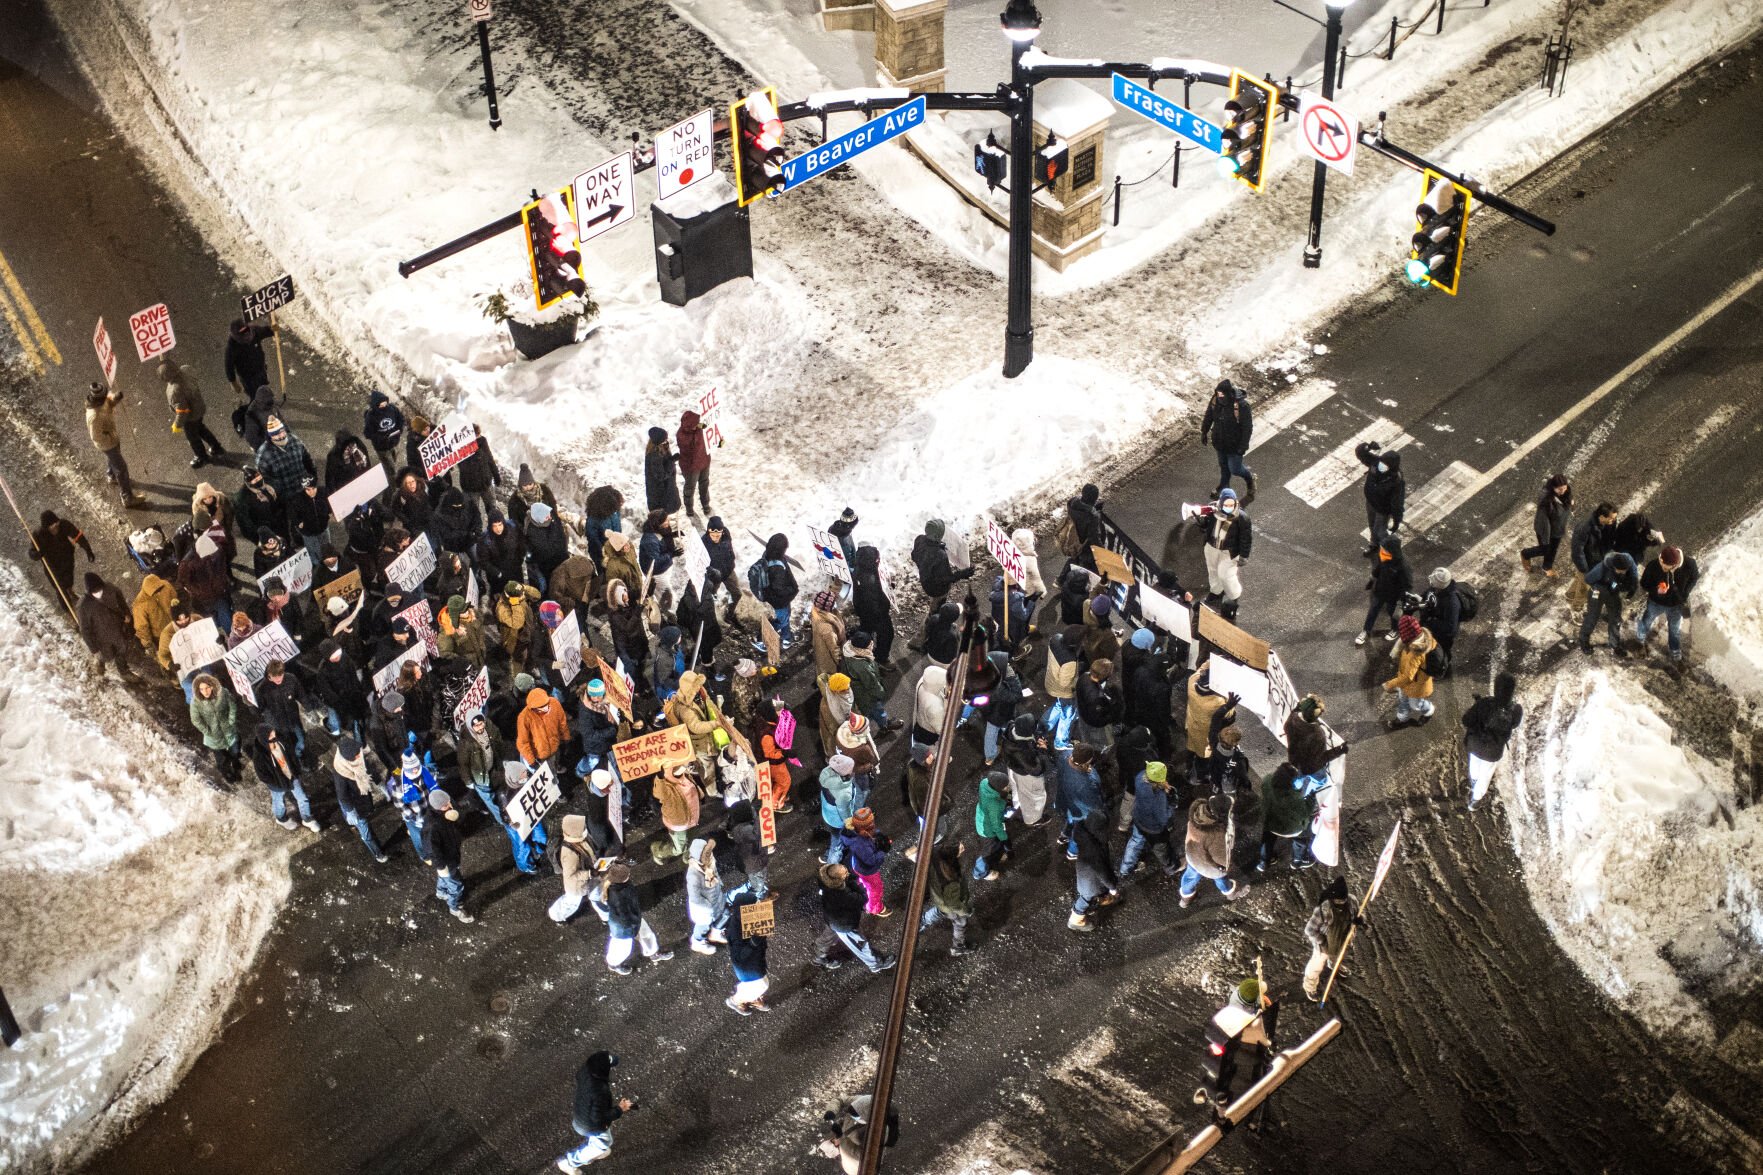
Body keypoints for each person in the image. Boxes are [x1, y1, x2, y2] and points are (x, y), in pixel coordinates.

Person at [812, 863, 897, 973]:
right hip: (845, 925)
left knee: (827, 937)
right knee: (860, 945)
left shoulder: (824, 881)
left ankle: (818, 957)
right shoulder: (846, 896)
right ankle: (875, 964)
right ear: (840, 880)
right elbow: (863, 898)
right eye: (845, 873)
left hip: (831, 918)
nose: (848, 873)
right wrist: (859, 884)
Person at [555, 1050, 631, 1171]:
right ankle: (570, 1162)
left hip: (580, 1114)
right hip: (590, 1125)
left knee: (598, 1141)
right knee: (605, 1142)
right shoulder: (600, 1090)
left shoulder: (585, 1071)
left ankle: (593, 1149)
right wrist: (619, 1109)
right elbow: (599, 1117)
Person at [1462, 672, 1523, 812]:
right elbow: (1514, 724)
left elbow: (1466, 720)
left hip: (1475, 743)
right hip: (1493, 750)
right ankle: (1475, 800)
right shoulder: (1516, 710)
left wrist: (1477, 706)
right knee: (1486, 774)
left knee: (1475, 764)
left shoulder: (1484, 703)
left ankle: (1473, 781)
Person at [602, 862, 672, 973]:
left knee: (647, 934)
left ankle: (653, 953)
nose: (629, 876)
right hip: (623, 927)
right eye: (627, 875)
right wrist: (634, 924)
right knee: (622, 949)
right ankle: (613, 964)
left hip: (633, 918)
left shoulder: (620, 885)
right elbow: (623, 915)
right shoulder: (617, 895)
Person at [85, 382, 146, 508]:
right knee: (121, 468)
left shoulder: (99, 403)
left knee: (113, 459)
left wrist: (115, 399)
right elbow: (96, 436)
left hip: (112, 438)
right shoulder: (94, 416)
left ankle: (111, 475)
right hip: (108, 443)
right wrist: (110, 437)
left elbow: (108, 404)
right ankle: (127, 497)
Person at [250, 722, 319, 832]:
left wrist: (295, 769)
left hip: (291, 776)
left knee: (302, 797)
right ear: (264, 738)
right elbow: (262, 774)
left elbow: (291, 755)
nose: (274, 736)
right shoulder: (260, 754)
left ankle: (307, 819)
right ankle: (281, 819)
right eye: (271, 735)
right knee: (279, 802)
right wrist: (275, 783)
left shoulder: (280, 740)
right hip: (277, 783)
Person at [330, 736, 389, 863]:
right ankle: (377, 853)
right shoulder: (340, 773)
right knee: (365, 831)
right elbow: (343, 796)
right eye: (356, 755)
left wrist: (382, 786)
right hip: (354, 805)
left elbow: (370, 771)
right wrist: (350, 811)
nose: (359, 756)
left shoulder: (358, 758)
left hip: (363, 797)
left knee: (366, 818)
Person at [158, 356, 225, 468]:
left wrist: (177, 425)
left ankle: (202, 457)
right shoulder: (185, 370)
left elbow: (182, 410)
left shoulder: (175, 390)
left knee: (193, 438)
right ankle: (216, 446)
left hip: (190, 417)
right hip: (198, 408)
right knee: (201, 429)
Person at [1636, 545, 1699, 662]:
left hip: (1676, 604)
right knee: (1646, 620)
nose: (1662, 566)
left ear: (1674, 564)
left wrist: (1685, 593)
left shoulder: (1690, 564)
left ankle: (1675, 650)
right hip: (1656, 602)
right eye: (1661, 563)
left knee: (1674, 629)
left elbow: (1694, 578)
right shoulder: (1654, 564)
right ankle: (1640, 640)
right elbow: (1644, 583)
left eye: (1666, 567)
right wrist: (1656, 590)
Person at [1117, 761, 1179, 880]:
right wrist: (1171, 800)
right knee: (1161, 849)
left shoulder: (1140, 777)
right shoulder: (1159, 797)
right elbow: (1164, 817)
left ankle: (1125, 869)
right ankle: (1171, 867)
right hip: (1154, 829)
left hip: (1138, 819)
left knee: (1135, 842)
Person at [1180, 794, 1244, 909]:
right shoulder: (1216, 835)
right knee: (1220, 877)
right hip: (1207, 866)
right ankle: (1230, 893)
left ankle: (1185, 899)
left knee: (1190, 877)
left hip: (1192, 857)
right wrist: (1225, 867)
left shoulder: (1195, 818)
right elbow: (1221, 858)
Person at [1200, 379, 1256, 500]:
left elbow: (1247, 428)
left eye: (1222, 395)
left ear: (1229, 394)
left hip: (1234, 445)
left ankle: (1250, 479)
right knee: (1224, 466)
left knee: (1235, 469)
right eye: (1218, 394)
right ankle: (1224, 487)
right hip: (1220, 442)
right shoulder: (1215, 400)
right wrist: (1204, 431)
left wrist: (1243, 446)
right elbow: (1209, 415)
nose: (1219, 398)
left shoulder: (1241, 406)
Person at [77, 573, 140, 680]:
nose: (98, 592)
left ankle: (124, 672)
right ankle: (100, 664)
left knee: (122, 650)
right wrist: (94, 649)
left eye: (99, 589)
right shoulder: (83, 606)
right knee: (104, 655)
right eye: (94, 591)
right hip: (101, 638)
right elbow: (85, 629)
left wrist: (126, 614)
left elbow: (122, 602)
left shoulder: (111, 589)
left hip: (117, 630)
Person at [1257, 762, 1318, 873]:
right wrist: (1311, 798)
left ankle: (1263, 862)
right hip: (1292, 829)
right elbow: (1306, 812)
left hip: (1271, 823)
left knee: (1267, 839)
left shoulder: (1267, 781)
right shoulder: (1294, 798)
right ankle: (1297, 861)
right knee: (1302, 838)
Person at [1198, 489, 1250, 620]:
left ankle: (1234, 596)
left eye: (1231, 504)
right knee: (1213, 570)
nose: (1228, 507)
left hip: (1229, 552)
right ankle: (1216, 592)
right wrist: (1202, 522)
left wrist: (1244, 555)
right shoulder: (1212, 511)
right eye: (1226, 504)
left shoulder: (1242, 517)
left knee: (1225, 574)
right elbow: (1207, 527)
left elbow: (1246, 538)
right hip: (1212, 547)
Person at [1303, 878, 1357, 1001]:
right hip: (1324, 945)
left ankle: (1334, 965)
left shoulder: (1352, 901)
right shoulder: (1324, 910)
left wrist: (1358, 920)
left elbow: (1356, 915)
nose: (1342, 902)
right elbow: (1309, 930)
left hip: (1342, 939)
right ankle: (1310, 987)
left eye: (1344, 900)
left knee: (1338, 956)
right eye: (1339, 900)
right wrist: (1322, 943)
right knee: (1315, 967)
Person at [29, 510, 94, 610]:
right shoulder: (38, 535)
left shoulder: (63, 524)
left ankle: (70, 591)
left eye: (56, 524)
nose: (56, 528)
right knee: (60, 589)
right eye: (52, 527)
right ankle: (69, 610)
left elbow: (77, 535)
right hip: (53, 566)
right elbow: (31, 553)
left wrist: (88, 549)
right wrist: (37, 554)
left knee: (68, 580)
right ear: (47, 527)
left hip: (67, 559)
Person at [1068, 811, 1121, 932]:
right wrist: (1113, 888)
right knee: (1085, 898)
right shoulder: (1096, 850)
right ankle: (1075, 920)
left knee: (1088, 895)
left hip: (1085, 874)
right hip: (1091, 883)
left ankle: (1099, 901)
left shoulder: (1084, 836)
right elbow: (1103, 872)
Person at [1355, 535, 1413, 646]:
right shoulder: (1385, 556)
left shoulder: (1403, 566)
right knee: (1373, 610)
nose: (1381, 550)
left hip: (1393, 596)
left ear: (1392, 550)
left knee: (1393, 613)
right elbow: (1378, 569)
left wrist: (1401, 602)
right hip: (1380, 590)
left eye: (1384, 548)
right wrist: (1372, 579)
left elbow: (1408, 586)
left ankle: (1395, 630)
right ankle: (1366, 631)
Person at [1579, 550, 1638, 656]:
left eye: (1624, 570)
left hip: (1613, 592)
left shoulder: (1629, 562)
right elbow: (1588, 579)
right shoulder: (1601, 568)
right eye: (1620, 571)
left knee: (1615, 619)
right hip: (1598, 591)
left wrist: (1632, 587)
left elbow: (1634, 576)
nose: (1623, 573)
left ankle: (1614, 644)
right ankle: (1583, 640)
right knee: (1592, 617)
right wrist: (1600, 587)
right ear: (1614, 567)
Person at [1283, 694, 1346, 792]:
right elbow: (1320, 759)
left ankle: (1296, 790)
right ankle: (1305, 794)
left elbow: (1286, 726)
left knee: (1296, 779)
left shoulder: (1293, 719)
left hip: (1294, 760)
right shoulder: (1317, 734)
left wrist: (1296, 709)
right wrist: (1340, 750)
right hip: (1309, 768)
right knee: (1321, 779)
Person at [921, 841, 975, 955]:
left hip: (939, 897)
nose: (962, 850)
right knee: (960, 923)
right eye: (959, 851)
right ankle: (958, 947)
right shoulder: (951, 881)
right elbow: (953, 905)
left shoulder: (935, 852)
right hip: (949, 906)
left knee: (940, 910)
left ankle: (922, 921)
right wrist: (966, 911)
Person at [724, 891, 772, 1014]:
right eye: (753, 906)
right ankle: (736, 1001)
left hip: (753, 959)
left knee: (760, 984)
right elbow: (739, 957)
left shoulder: (740, 919)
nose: (756, 908)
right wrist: (753, 943)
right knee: (762, 984)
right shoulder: (735, 929)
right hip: (746, 965)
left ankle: (748, 997)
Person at [1384, 614, 1438, 725]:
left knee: (1415, 704)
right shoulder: (1424, 637)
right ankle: (1402, 718)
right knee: (1403, 699)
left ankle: (1429, 710)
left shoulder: (1415, 653)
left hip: (1417, 686)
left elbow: (1408, 677)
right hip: (1410, 682)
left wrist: (1390, 684)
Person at [1568, 501, 1619, 617]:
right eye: (1611, 519)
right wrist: (1585, 570)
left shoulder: (1609, 523)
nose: (1613, 521)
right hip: (1587, 563)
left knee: (1581, 582)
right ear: (1601, 516)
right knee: (1585, 588)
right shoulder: (1584, 528)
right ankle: (1576, 609)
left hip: (1598, 559)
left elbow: (1610, 538)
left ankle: (1570, 594)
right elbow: (1577, 552)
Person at [189, 673, 242, 782]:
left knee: (235, 751)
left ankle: (236, 763)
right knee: (222, 760)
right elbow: (196, 719)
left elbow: (232, 705)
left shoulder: (223, 693)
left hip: (229, 731)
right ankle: (227, 774)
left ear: (212, 686)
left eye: (207, 687)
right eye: (202, 689)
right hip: (214, 738)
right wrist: (208, 731)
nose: (205, 691)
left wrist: (231, 720)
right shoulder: (195, 702)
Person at [1355, 440, 1406, 553]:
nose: (1382, 466)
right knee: (1372, 525)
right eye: (1382, 462)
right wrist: (1367, 447)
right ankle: (1374, 544)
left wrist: (1397, 520)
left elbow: (1397, 502)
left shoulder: (1396, 481)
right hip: (1371, 502)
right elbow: (1360, 453)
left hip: (1382, 510)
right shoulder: (1376, 463)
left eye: (1385, 464)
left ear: (1392, 466)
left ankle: (1390, 553)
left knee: (1380, 531)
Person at [840, 807, 891, 917]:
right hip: (867, 871)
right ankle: (875, 908)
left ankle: (862, 882)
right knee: (876, 889)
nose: (874, 827)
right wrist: (882, 850)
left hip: (857, 864)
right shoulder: (861, 843)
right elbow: (871, 860)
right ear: (864, 829)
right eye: (871, 825)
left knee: (867, 883)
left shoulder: (855, 834)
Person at [751, 533, 799, 648]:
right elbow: (779, 589)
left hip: (773, 595)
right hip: (779, 600)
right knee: (782, 620)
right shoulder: (777, 567)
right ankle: (760, 638)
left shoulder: (768, 555)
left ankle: (786, 638)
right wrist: (792, 591)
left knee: (785, 615)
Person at [911, 520, 972, 609]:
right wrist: (962, 574)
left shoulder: (919, 539)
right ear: (937, 536)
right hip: (937, 589)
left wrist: (926, 565)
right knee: (939, 602)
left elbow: (914, 556)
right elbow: (944, 579)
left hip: (925, 580)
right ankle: (936, 615)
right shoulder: (940, 555)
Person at [1519, 473, 1573, 576]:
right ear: (1553, 487)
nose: (1562, 491)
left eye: (1564, 488)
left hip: (1558, 528)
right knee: (1545, 549)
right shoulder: (1547, 502)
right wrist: (1546, 540)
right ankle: (1526, 554)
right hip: (1546, 530)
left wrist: (1571, 503)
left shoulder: (1567, 492)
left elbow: (1569, 501)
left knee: (1553, 549)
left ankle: (1547, 566)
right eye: (1559, 489)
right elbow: (1544, 522)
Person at [1001, 713, 1049, 826]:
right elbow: (1037, 769)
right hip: (1025, 774)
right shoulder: (1023, 752)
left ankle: (1013, 805)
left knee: (1015, 788)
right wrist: (1042, 751)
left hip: (1013, 766)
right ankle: (1032, 819)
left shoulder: (1011, 728)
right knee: (1034, 796)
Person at [256, 415, 318, 501]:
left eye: (282, 431)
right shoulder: (263, 454)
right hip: (287, 497)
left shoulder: (295, 440)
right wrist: (280, 494)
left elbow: (308, 460)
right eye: (276, 434)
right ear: (271, 436)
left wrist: (313, 479)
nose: (281, 436)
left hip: (305, 489)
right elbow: (265, 479)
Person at [651, 761, 701, 863]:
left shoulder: (685, 776)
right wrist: (659, 777)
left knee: (692, 838)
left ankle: (689, 852)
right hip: (679, 824)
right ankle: (658, 851)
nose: (683, 766)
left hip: (692, 818)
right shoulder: (665, 785)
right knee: (679, 849)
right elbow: (659, 792)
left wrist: (690, 766)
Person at [518, 686, 571, 771]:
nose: (545, 709)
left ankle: (556, 767)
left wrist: (566, 738)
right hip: (540, 755)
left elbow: (562, 722)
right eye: (541, 708)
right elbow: (523, 742)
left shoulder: (554, 703)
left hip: (555, 745)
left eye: (546, 705)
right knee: (548, 772)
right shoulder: (524, 718)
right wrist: (531, 761)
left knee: (556, 758)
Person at [1419, 568, 1463, 668]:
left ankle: (1443, 668)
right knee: (1432, 650)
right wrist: (1419, 600)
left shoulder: (1452, 603)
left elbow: (1450, 628)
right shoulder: (1435, 589)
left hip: (1443, 636)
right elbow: (1427, 595)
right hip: (1432, 627)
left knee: (1442, 652)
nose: (1430, 582)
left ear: (1439, 585)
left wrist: (1431, 622)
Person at [973, 771, 1012, 880]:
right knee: (988, 852)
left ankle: (998, 855)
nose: (1008, 787)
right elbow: (997, 826)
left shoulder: (985, 783)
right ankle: (980, 872)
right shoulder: (994, 804)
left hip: (982, 816)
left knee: (996, 845)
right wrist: (1004, 838)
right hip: (987, 830)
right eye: (1006, 786)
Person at [224, 318, 275, 397]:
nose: (246, 333)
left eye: (246, 330)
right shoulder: (232, 347)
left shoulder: (254, 331)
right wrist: (233, 383)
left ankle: (266, 399)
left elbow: (265, 331)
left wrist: (272, 330)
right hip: (248, 377)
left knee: (264, 387)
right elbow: (229, 366)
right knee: (255, 395)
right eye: (242, 332)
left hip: (260, 369)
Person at [676, 410, 713, 516]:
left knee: (704, 484)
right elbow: (691, 449)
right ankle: (689, 509)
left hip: (704, 461)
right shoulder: (682, 436)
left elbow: (708, 429)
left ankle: (706, 505)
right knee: (690, 488)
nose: (698, 425)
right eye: (695, 424)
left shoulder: (698, 428)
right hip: (691, 467)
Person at [363, 390, 405, 474]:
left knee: (394, 460)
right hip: (382, 447)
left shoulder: (392, 409)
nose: (384, 404)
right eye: (382, 403)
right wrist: (382, 438)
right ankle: (393, 482)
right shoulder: (371, 416)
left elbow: (400, 418)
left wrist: (400, 429)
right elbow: (368, 433)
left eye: (385, 402)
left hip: (394, 442)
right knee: (390, 469)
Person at [1065, 484, 1104, 572]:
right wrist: (1103, 550)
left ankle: (1060, 579)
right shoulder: (1092, 517)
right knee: (1086, 566)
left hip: (1074, 538)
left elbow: (1080, 504)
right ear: (1094, 499)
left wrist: (1091, 508)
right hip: (1084, 544)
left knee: (1074, 557)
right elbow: (1094, 538)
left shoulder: (1072, 504)